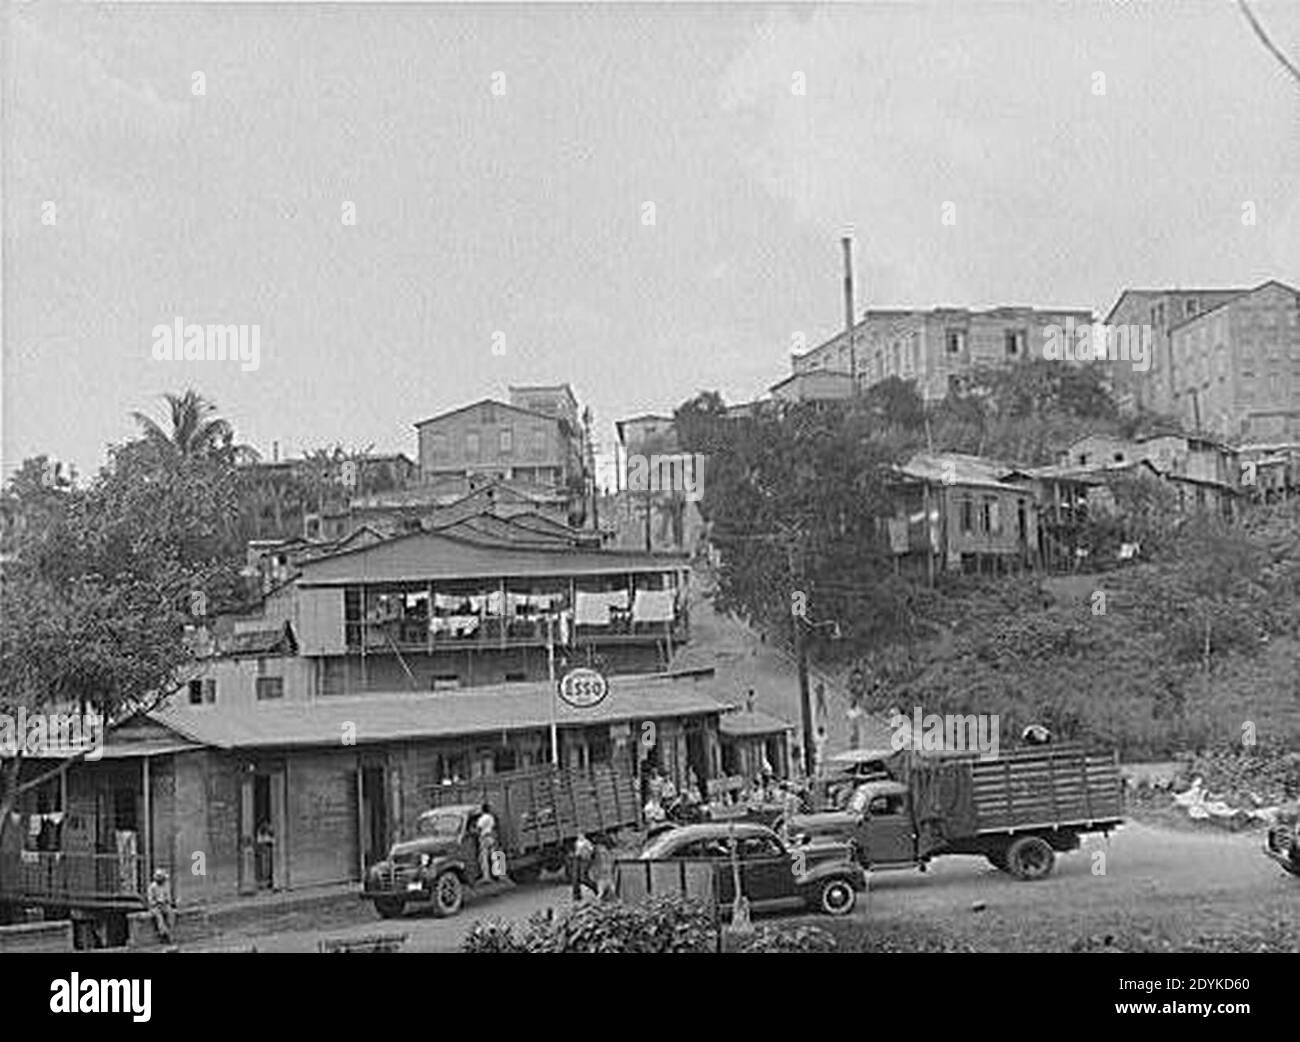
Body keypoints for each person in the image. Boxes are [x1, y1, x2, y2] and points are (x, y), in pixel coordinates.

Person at [147, 868, 176, 944]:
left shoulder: (165, 886)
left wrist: (167, 902)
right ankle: (164, 933)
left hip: (164, 905)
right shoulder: (152, 887)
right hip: (155, 907)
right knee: (159, 917)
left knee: (170, 913)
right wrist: (157, 903)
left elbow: (168, 897)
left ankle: (170, 931)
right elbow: (150, 900)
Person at [571, 831, 597, 901]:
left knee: (583, 878)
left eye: (581, 835)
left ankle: (595, 888)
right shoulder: (577, 842)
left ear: (584, 835)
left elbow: (592, 850)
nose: (579, 837)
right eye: (578, 835)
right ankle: (576, 896)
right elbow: (576, 851)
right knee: (575, 877)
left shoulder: (587, 842)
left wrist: (586, 851)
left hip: (584, 860)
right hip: (577, 859)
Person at [476, 802, 498, 880]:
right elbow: (493, 826)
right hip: (491, 837)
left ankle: (486, 876)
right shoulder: (491, 817)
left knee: (483, 858)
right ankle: (497, 874)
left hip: (484, 838)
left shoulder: (482, 818)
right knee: (493, 856)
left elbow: (478, 829)